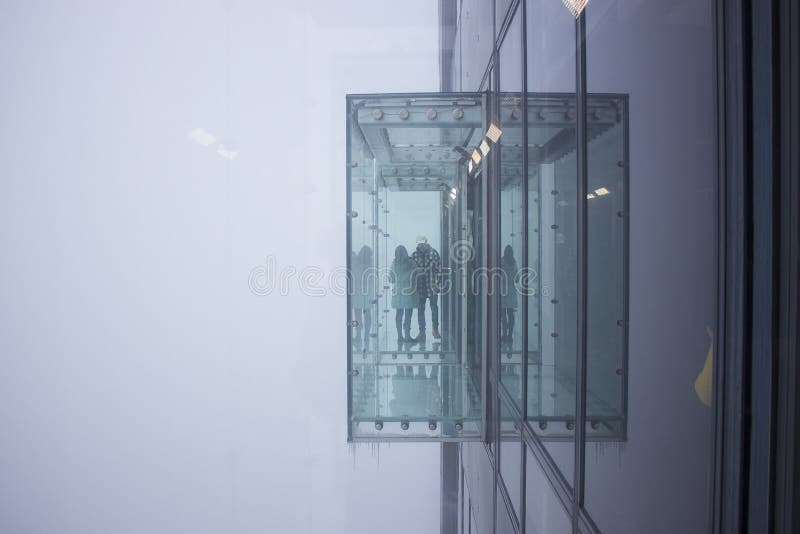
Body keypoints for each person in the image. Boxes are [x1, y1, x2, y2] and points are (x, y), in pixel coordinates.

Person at [411, 235, 441, 342]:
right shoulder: (414, 255)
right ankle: (422, 332)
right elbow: (412, 272)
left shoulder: (434, 253)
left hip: (431, 286)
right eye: (419, 243)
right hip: (420, 287)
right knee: (421, 310)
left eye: (422, 243)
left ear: (426, 242)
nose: (421, 245)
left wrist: (437, 284)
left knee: (434, 309)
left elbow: (439, 270)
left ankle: (435, 329)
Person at [389, 245, 416, 343]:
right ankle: (407, 336)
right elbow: (415, 276)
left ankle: (400, 336)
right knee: (408, 315)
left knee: (399, 315)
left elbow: (390, 279)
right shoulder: (411, 263)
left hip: (398, 292)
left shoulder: (394, 264)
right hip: (409, 292)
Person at [352, 245, 374, 348]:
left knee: (358, 316)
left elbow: (354, 276)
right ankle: (366, 336)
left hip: (357, 293)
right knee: (367, 315)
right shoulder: (370, 264)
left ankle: (358, 335)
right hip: (367, 293)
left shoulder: (356, 264)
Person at [500, 244, 519, 347]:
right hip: (511, 291)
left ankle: (504, 334)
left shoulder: (501, 262)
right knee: (510, 314)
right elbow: (517, 279)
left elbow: (497, 275)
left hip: (503, 290)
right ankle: (510, 335)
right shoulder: (514, 263)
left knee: (503, 314)